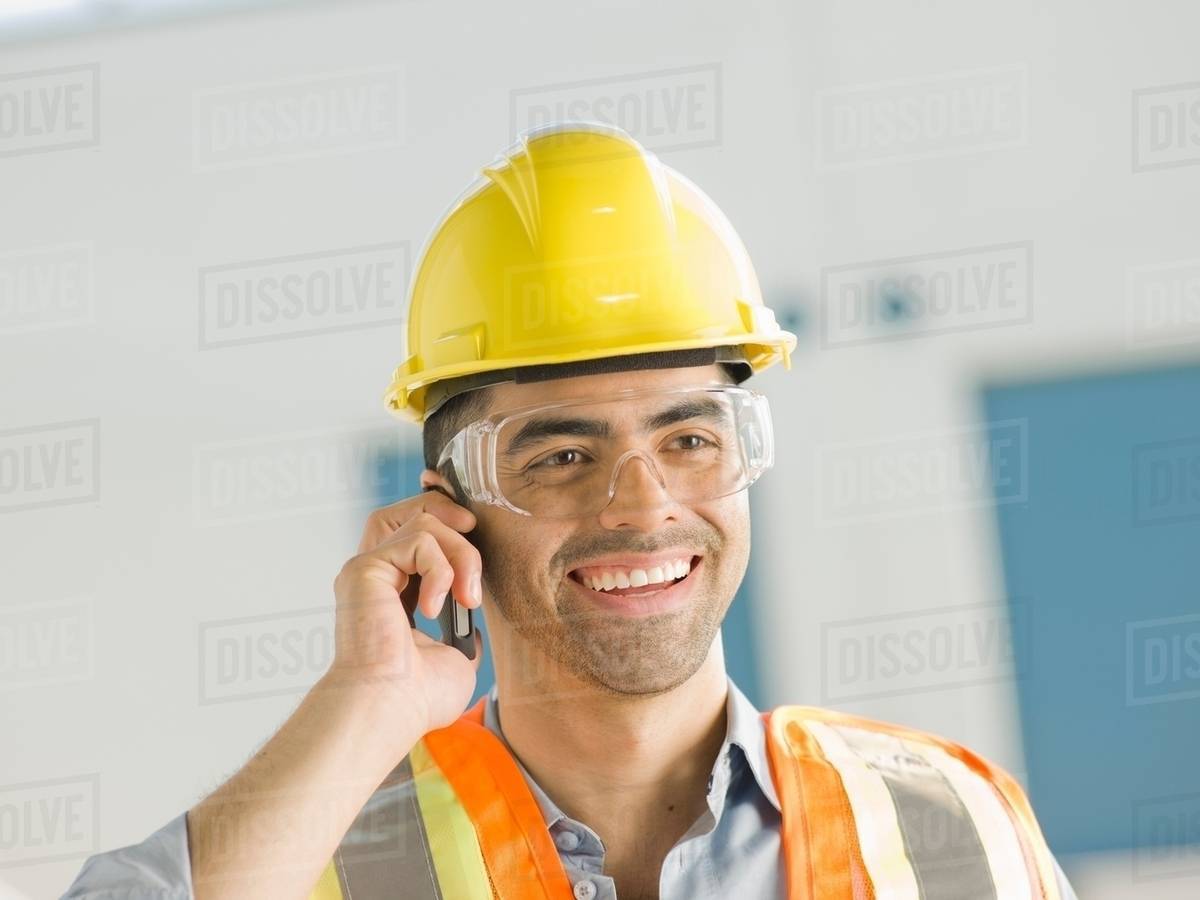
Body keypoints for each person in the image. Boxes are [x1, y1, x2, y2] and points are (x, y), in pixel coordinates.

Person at [64, 123, 1078, 900]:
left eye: (690, 438)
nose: (643, 505)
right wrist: (368, 699)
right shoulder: (325, 860)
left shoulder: (945, 826)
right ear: (447, 518)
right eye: (560, 455)